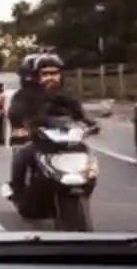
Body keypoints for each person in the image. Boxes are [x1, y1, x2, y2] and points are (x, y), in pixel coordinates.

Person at [6, 51, 91, 199]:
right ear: (34, 76)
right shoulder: (24, 96)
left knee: (84, 152)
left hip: (63, 139)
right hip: (37, 139)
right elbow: (16, 113)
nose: (51, 78)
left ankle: (83, 185)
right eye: (45, 74)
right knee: (22, 155)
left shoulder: (65, 96)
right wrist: (25, 126)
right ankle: (17, 190)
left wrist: (88, 123)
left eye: (55, 73)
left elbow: (79, 113)